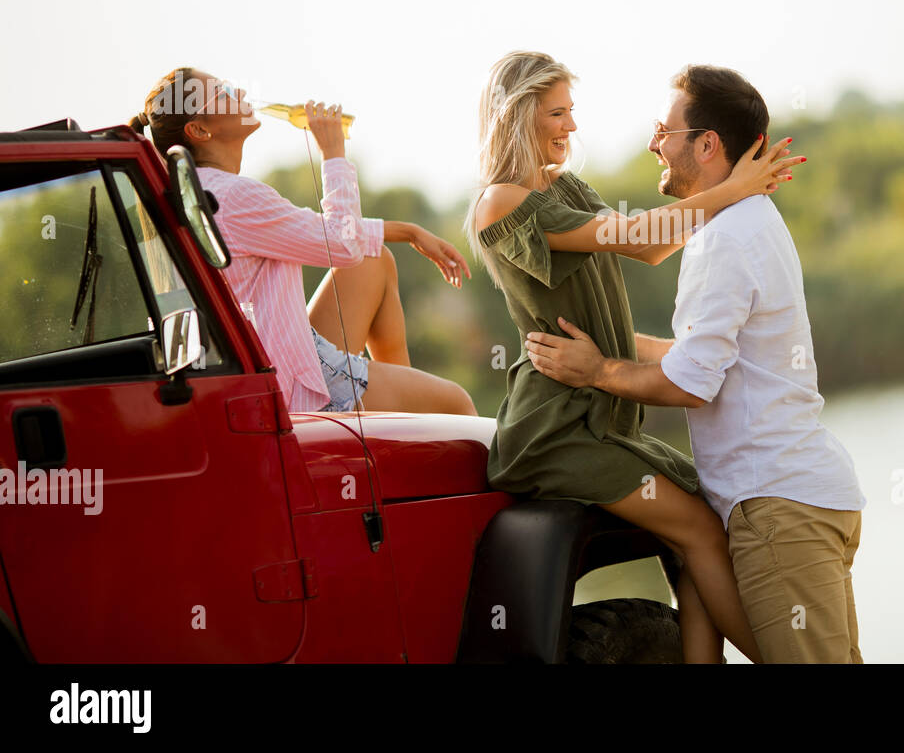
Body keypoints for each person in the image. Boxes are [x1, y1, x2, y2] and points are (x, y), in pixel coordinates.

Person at [467, 51, 803, 664]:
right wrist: (731, 191)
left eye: (571, 112)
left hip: (604, 421)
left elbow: (646, 253)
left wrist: (729, 196)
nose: (570, 127)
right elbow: (635, 235)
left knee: (698, 525)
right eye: (557, 113)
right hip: (556, 432)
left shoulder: (562, 187)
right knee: (699, 530)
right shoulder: (501, 203)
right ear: (517, 118)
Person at [523, 64, 865, 663]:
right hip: (796, 496)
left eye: (665, 129)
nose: (654, 142)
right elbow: (704, 358)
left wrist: (596, 373)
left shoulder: (725, 237)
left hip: (780, 507)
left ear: (706, 144)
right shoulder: (745, 223)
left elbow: (688, 384)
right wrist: (606, 345)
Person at [130, 67, 476, 416]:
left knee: (375, 261)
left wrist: (410, 232)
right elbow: (342, 244)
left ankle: (406, 422)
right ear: (200, 130)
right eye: (222, 93)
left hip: (266, 364)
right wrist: (333, 152)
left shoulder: (192, 194)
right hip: (287, 385)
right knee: (456, 405)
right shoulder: (234, 196)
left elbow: (320, 232)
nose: (239, 93)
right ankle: (415, 421)